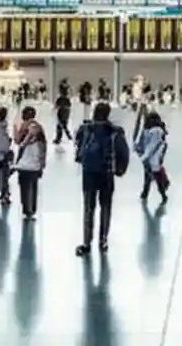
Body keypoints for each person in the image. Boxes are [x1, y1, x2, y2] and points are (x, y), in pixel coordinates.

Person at [74, 103, 130, 256]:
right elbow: (123, 153)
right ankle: (103, 240)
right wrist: (120, 169)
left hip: (89, 172)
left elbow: (78, 146)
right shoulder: (115, 132)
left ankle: (86, 242)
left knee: (88, 207)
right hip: (107, 173)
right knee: (105, 207)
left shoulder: (85, 129)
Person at [13, 106, 48, 220]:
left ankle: (27, 210)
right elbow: (44, 146)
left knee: (24, 187)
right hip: (35, 163)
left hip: (24, 163)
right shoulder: (39, 128)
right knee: (33, 186)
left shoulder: (24, 127)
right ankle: (31, 210)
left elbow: (18, 141)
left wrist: (15, 128)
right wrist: (43, 162)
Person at [135, 111, 169, 203]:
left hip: (149, 157)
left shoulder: (150, 131)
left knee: (149, 176)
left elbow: (147, 145)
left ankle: (147, 193)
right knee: (153, 176)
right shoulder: (159, 130)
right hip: (155, 158)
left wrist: (143, 155)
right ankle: (160, 194)